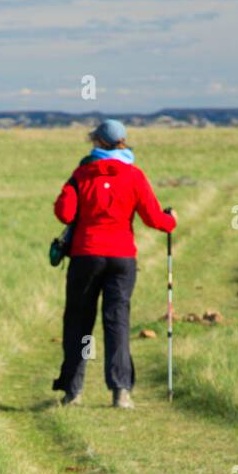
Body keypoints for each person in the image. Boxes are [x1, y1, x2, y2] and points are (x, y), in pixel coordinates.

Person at [52, 118, 176, 409]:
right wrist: (172, 220)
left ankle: (73, 391)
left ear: (98, 142)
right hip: (122, 259)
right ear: (122, 142)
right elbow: (155, 219)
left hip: (85, 257)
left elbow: (64, 213)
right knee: (117, 322)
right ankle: (121, 392)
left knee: (80, 323)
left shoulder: (82, 173)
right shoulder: (134, 175)